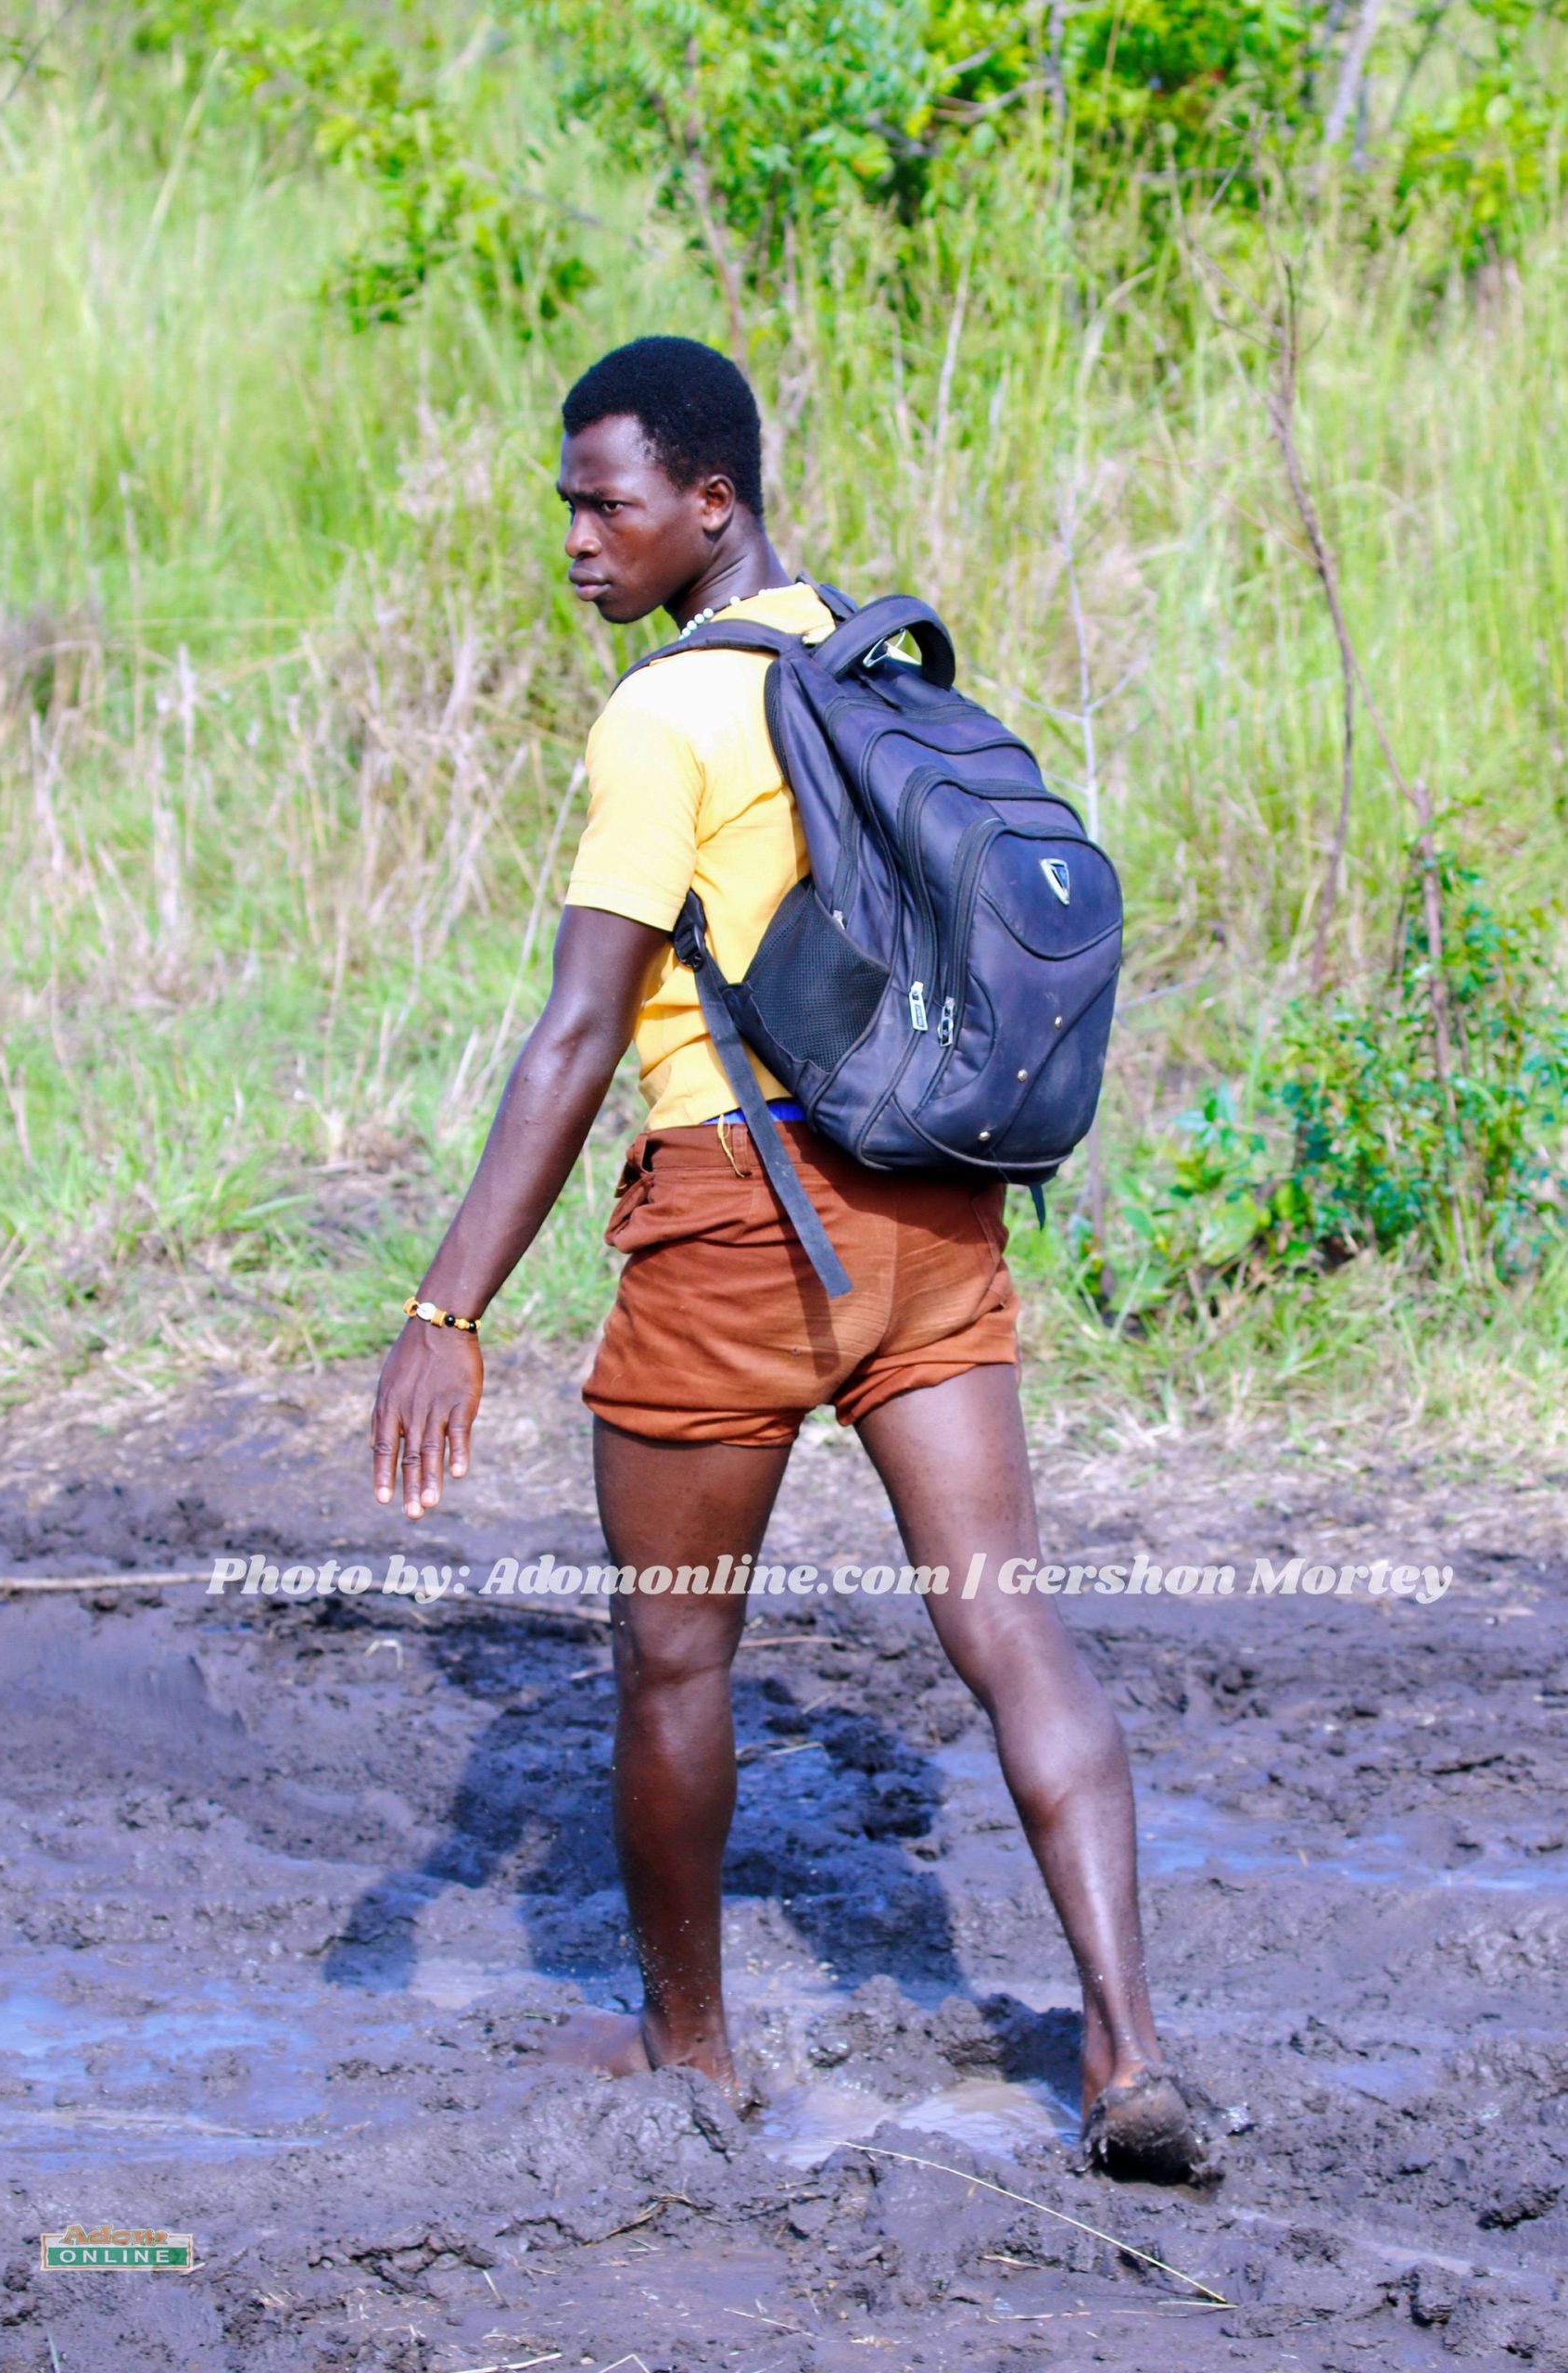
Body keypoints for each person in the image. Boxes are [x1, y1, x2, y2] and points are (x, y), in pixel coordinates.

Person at [368, 335, 1201, 2180]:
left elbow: (578, 1037)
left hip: (737, 1229)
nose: (577, 536)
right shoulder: (866, 657)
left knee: (674, 1656)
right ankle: (1125, 2051)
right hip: (930, 1212)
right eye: (569, 501)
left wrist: (446, 1308)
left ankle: (691, 2051)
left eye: (609, 500)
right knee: (1006, 1619)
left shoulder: (665, 713)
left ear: (708, 500)